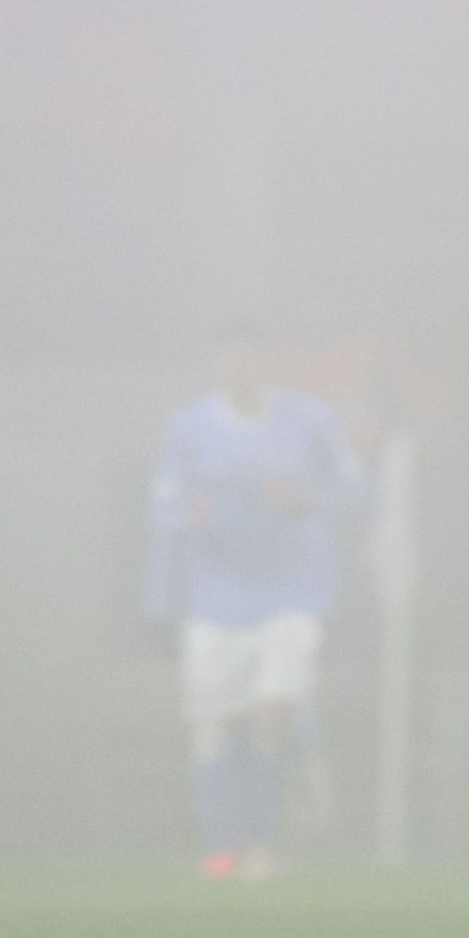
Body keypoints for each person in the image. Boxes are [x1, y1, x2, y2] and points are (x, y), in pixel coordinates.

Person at [144, 331, 364, 882]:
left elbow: (354, 486)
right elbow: (163, 507)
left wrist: (309, 498)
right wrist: (186, 521)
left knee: (272, 714)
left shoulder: (309, 421)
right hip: (214, 600)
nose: (241, 368)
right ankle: (222, 849)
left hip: (293, 593)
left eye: (251, 358)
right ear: (216, 365)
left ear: (266, 363)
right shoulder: (189, 428)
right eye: (231, 359)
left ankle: (265, 840)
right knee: (212, 732)